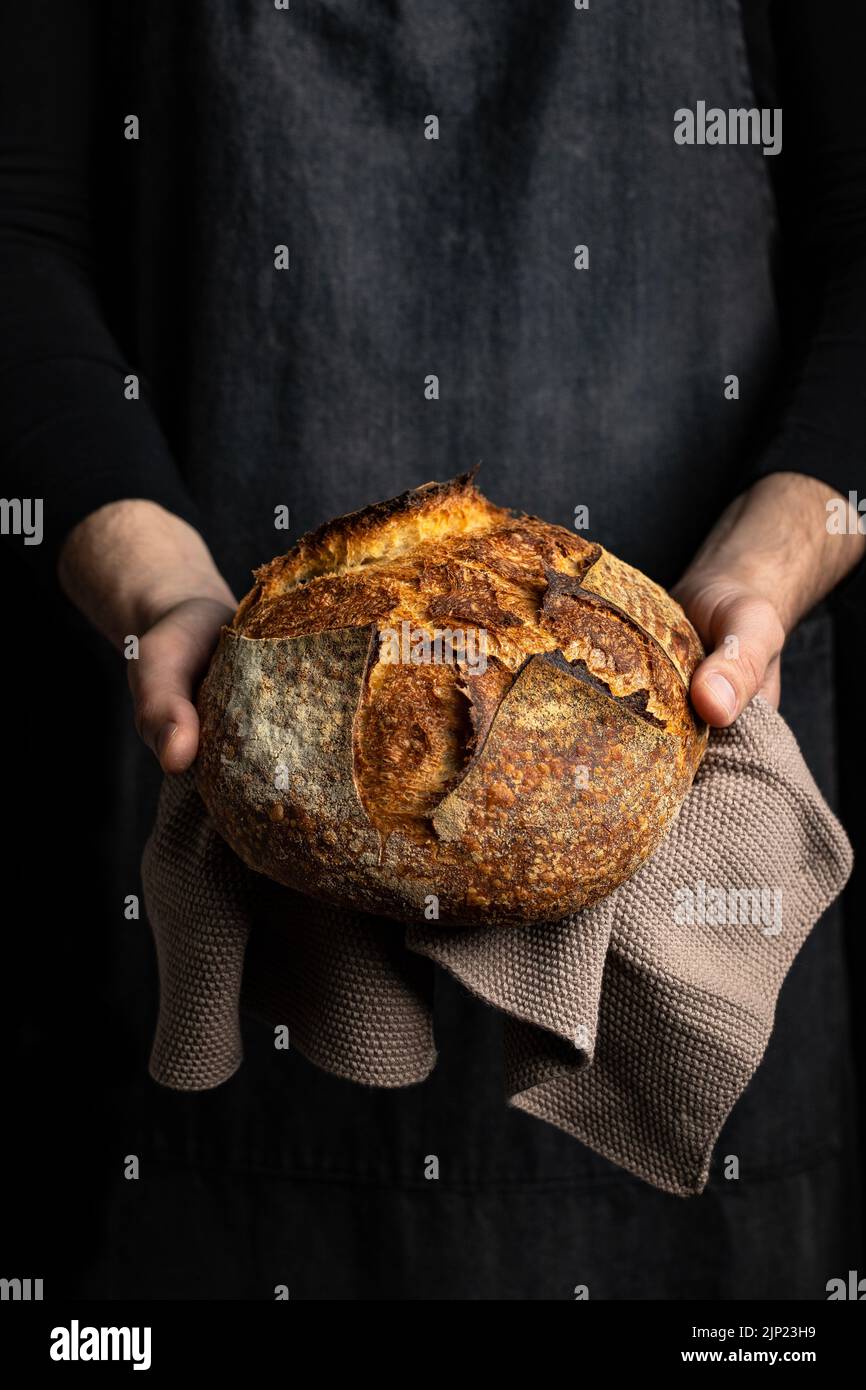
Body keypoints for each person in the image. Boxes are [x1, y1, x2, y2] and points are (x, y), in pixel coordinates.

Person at [2, 0, 864, 1299]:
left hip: (680, 901)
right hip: (215, 902)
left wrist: (779, 552)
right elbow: (14, 229)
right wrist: (152, 579)